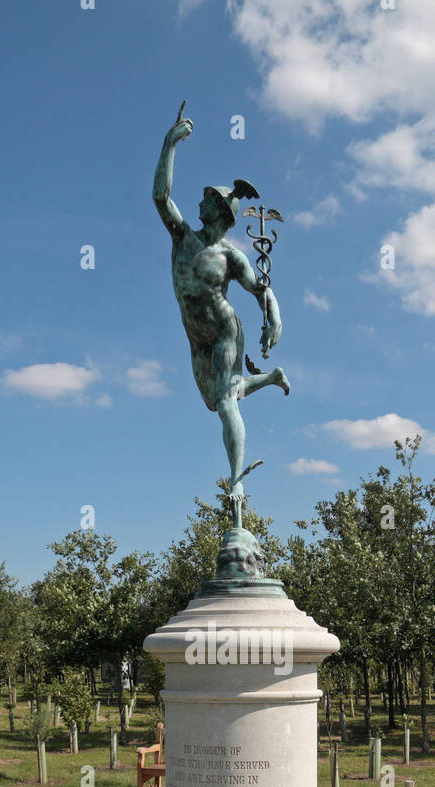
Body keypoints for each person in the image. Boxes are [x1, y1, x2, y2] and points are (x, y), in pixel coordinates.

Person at [153, 106, 290, 519]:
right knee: (216, 401)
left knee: (227, 403)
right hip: (195, 336)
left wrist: (275, 316)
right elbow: (160, 196)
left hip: (225, 330)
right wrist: (168, 144)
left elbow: (260, 290)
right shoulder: (182, 236)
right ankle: (270, 378)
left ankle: (235, 483)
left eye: (206, 199)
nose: (198, 203)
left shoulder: (230, 254)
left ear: (220, 212)